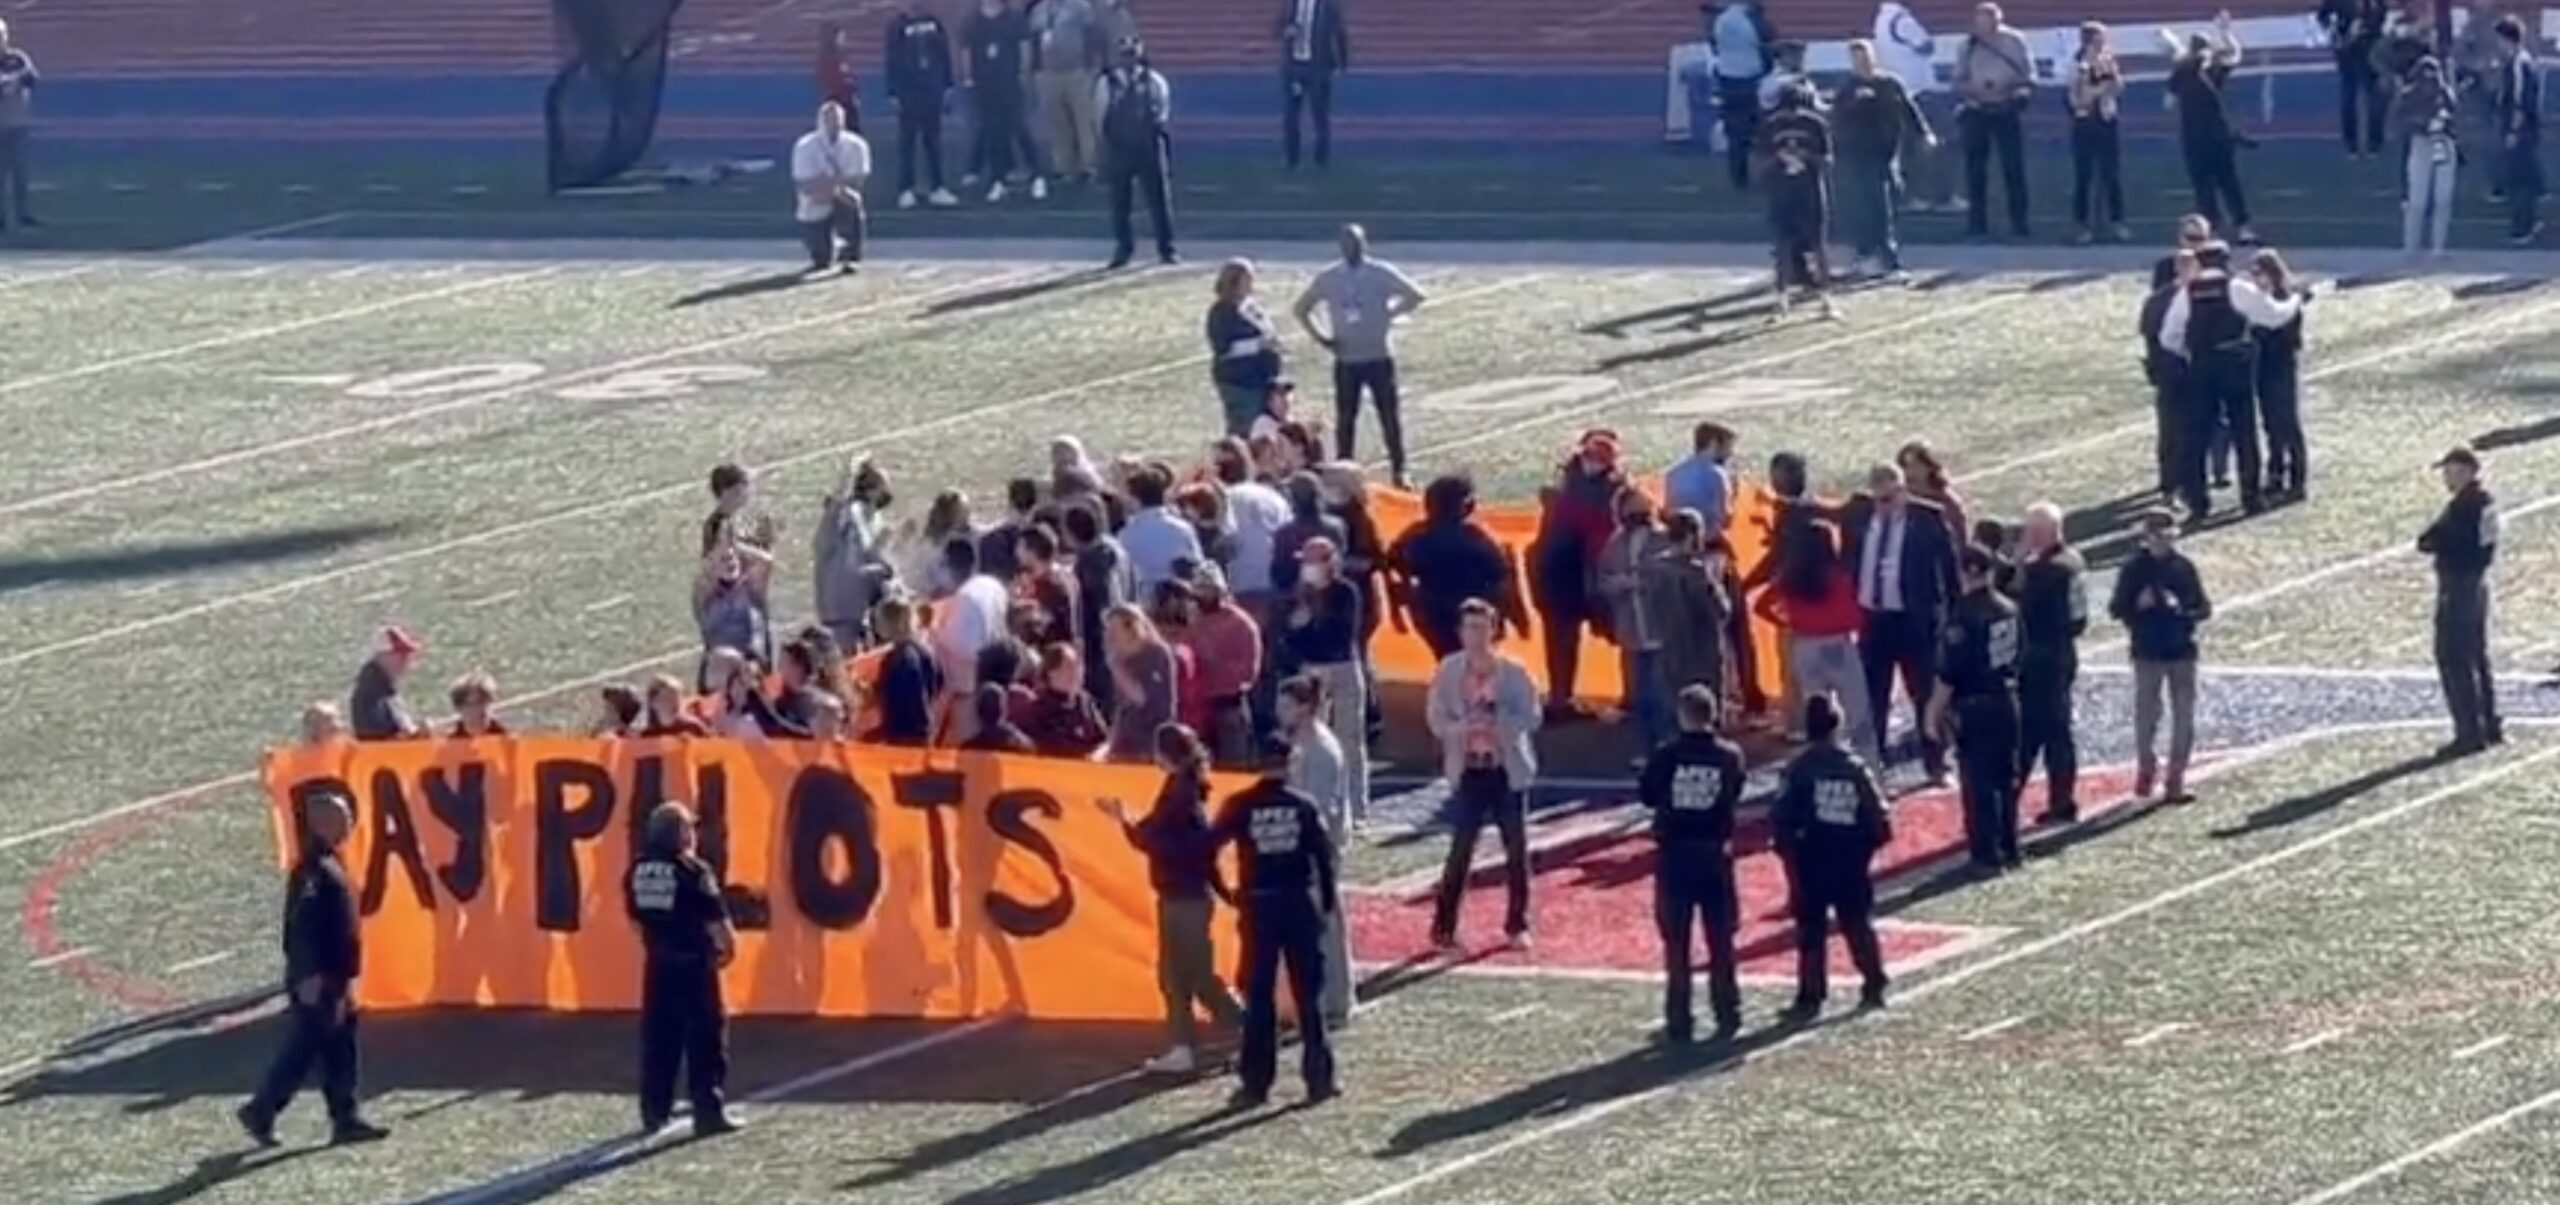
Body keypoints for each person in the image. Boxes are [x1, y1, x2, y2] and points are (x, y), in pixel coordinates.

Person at [238, 792, 389, 1147]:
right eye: (342, 816)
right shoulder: (314, 870)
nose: (349, 821)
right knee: (307, 1047)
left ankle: (343, 1117)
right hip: (320, 978)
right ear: (324, 822)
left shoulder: (326, 864)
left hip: (331, 976)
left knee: (336, 1047)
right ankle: (264, 1108)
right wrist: (311, 976)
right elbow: (303, 926)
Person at [1105, 723, 1243, 1073]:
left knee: (1192, 976)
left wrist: (1124, 821)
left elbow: (1155, 839)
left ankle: (1245, 1029)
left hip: (1184, 898)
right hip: (1185, 896)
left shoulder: (1179, 795)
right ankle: (1188, 1044)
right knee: (1180, 975)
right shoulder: (1186, 791)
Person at [1208, 768, 1339, 1106]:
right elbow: (1324, 858)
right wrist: (1324, 904)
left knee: (1259, 995)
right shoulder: (1303, 805)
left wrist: (1226, 893)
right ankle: (1319, 1078)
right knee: (1309, 995)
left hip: (1259, 905)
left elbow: (1207, 849)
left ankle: (1256, 1082)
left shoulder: (1240, 804)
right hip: (1297, 902)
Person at [1425, 599, 1542, 951]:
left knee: (1516, 848)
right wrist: (1463, 728)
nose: (1475, 636)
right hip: (1470, 768)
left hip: (1505, 769)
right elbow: (1436, 717)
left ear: (1494, 630)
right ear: (1460, 632)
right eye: (1469, 628)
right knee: (1460, 849)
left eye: (1481, 627)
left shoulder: (1514, 672)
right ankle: (1443, 926)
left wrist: (1499, 722)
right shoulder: (1449, 670)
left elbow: (1532, 717)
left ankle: (1517, 924)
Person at [2162, 239, 2304, 518]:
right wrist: (2296, 300)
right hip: (2235, 366)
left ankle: (2198, 502)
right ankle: (2250, 497)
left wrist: (2190, 352)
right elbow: (2273, 316)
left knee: (2198, 437)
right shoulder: (2236, 287)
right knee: (2244, 432)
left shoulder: (2188, 292)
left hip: (2202, 368)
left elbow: (2169, 336)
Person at [1771, 692, 1891, 1018]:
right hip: (1849, 863)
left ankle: (1810, 996)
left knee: (1810, 930)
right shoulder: (1854, 769)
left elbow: (1781, 821)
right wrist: (1861, 852)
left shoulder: (1797, 770)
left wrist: (1793, 858)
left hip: (1811, 863)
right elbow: (1880, 822)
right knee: (1857, 925)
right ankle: (1873, 981)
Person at [625, 803, 742, 1137]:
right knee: (706, 1039)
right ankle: (708, 1110)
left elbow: (634, 918)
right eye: (688, 828)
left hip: (658, 967)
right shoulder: (694, 870)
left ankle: (653, 1109)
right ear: (680, 833)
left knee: (660, 1040)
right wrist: (728, 949)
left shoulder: (637, 869)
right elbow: (716, 918)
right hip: (695, 966)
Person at [1639, 684, 1748, 1043]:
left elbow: (1648, 796)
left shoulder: (1666, 755)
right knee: (1721, 940)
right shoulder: (1730, 755)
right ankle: (1727, 1010)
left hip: (1675, 858)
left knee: (1677, 944)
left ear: (1682, 715)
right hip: (1715, 854)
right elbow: (1735, 790)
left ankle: (1679, 1018)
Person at [1841, 462, 1959, 784]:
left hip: (1915, 621)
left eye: (1892, 497)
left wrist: (1952, 618)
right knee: (1872, 698)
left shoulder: (1928, 519)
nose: (1886, 505)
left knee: (1925, 694)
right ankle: (1873, 766)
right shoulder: (1858, 517)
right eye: (1880, 499)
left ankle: (1936, 763)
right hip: (1874, 620)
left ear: (1903, 491)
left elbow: (1950, 574)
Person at [1292, 224, 1427, 487]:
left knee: (1388, 415)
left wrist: (1389, 314)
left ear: (1365, 245)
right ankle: (1345, 467)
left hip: (1378, 356)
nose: (1350, 249)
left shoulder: (1379, 273)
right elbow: (1301, 308)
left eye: (1355, 243)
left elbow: (1415, 294)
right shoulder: (1330, 277)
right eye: (1346, 244)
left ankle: (1400, 469)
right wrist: (1321, 337)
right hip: (1347, 359)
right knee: (1346, 418)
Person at [1927, 544, 2023, 872]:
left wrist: (1932, 714)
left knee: (1978, 782)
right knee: (2006, 779)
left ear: (1964, 573)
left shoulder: (1963, 615)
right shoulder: (2009, 608)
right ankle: (2010, 846)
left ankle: (1986, 854)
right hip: (2007, 699)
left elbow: (1949, 672)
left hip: (1975, 705)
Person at [2109, 508, 2210, 802]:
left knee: (2183, 717)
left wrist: (2181, 608)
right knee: (2147, 715)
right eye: (2156, 536)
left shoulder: (2183, 567)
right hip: (2147, 651)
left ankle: (2175, 778)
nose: (2161, 542)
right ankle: (2146, 769)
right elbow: (2116, 608)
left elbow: (2204, 608)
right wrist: (2138, 605)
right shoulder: (2133, 569)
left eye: (2166, 535)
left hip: (2181, 651)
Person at [1277, 673, 1355, 1025]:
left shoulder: (1320, 749)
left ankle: (1334, 998)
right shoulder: (1304, 743)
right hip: (1308, 845)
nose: (1280, 709)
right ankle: (1319, 996)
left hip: (1317, 847)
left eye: (1287, 702)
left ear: (1305, 707)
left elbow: (1320, 806)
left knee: (1323, 923)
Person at [2421, 445, 2504, 757]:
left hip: (2459, 586)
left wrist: (2438, 542)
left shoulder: (2465, 506)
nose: (2446, 477)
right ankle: (2488, 723)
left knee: (2454, 657)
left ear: (2467, 471)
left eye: (2451, 470)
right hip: (2476, 585)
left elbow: (2433, 540)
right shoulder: (2483, 502)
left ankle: (2469, 731)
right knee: (2476, 656)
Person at [1386, 473, 1524, 658]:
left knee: (1448, 660)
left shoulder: (1416, 535)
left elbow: (1392, 562)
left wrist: (1404, 601)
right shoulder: (1476, 536)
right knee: (1478, 664)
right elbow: (1501, 575)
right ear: (1466, 506)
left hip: (1434, 613)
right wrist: (1517, 616)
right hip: (1475, 612)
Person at [1283, 537, 1368, 821]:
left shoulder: (1346, 592)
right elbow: (1290, 637)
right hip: (1310, 667)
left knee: (1349, 738)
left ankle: (1356, 808)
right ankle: (1308, 800)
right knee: (1307, 737)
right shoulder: (1298, 594)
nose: (1309, 568)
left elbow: (1344, 634)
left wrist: (1312, 620)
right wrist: (1299, 625)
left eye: (1315, 561)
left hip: (1341, 666)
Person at [2011, 502, 2086, 823]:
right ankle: (2060, 799)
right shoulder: (2071, 560)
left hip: (2044, 658)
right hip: (2060, 654)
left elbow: (2016, 600)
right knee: (2054, 731)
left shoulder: (2048, 570)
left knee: (2036, 732)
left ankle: (2051, 800)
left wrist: (2016, 561)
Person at [1833, 39, 1933, 279]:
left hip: (1886, 153)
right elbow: (1837, 120)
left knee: (1886, 203)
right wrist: (1856, 103)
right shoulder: (1847, 89)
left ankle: (1886, 257)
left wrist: (1923, 134)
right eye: (1856, 59)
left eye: (1865, 57)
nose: (1862, 63)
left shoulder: (1890, 84)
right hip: (1857, 155)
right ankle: (1868, 254)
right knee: (1864, 206)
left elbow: (1909, 111)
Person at [1597, 487, 1674, 751]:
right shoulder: (1616, 543)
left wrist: (1644, 582)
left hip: (1660, 626)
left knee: (1663, 691)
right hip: (1632, 629)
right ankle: (1646, 745)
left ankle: (1667, 743)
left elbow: (1670, 576)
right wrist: (1621, 584)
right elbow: (1603, 580)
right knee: (1641, 694)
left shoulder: (1663, 538)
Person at [2166, 18, 2252, 242]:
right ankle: (2233, 226)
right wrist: (2225, 33)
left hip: (2199, 137)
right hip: (2211, 136)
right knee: (2222, 184)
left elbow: (2168, 102)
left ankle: (2220, 227)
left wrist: (2225, 33)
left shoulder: (2186, 72)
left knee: (2211, 185)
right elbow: (2234, 54)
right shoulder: (2205, 70)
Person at [1953, 1, 2034, 240]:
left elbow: (2028, 75)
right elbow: (1957, 80)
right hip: (1977, 111)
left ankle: (2019, 223)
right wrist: (1974, 89)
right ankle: (1977, 225)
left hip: (2007, 109)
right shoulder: (1967, 46)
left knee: (2013, 168)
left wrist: (2011, 89)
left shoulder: (2015, 41)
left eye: (1990, 21)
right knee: (1976, 171)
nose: (1986, 26)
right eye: (1981, 21)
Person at [1645, 510, 1734, 720]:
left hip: (1668, 647)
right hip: (1701, 651)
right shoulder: (1696, 572)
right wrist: (1718, 583)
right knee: (1705, 711)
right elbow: (1720, 610)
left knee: (1671, 709)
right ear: (1693, 536)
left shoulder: (1653, 568)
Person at [1098, 37, 1177, 269]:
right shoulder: (1107, 82)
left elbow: (1162, 111)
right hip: (1120, 148)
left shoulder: (1155, 81)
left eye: (1132, 54)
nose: (1128, 60)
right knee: (1121, 203)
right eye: (1125, 55)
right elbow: (1099, 114)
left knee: (1159, 200)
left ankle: (1167, 248)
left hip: (1149, 146)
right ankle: (1123, 248)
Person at [1186, 565, 1264, 766]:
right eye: (1200, 593)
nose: (1204, 598)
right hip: (1194, 708)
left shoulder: (1241, 625)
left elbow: (1248, 673)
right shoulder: (1192, 622)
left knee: (1232, 768)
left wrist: (1214, 662)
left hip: (1228, 706)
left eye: (1209, 592)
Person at [815, 457, 896, 649]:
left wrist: (884, 564)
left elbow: (866, 566)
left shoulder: (871, 521)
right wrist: (847, 474)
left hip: (861, 616)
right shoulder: (844, 521)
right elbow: (836, 508)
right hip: (839, 617)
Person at [885, 0, 960, 208]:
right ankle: (905, 188)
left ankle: (937, 186)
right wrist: (893, 91)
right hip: (908, 92)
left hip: (932, 91)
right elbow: (891, 59)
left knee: (933, 141)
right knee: (907, 142)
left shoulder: (934, 23)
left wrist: (948, 84)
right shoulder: (897, 26)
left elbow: (944, 55)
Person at [2250, 249, 2309, 502]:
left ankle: (2297, 480)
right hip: (2262, 369)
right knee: (2271, 425)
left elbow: (2290, 338)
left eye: (2258, 273)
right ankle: (2275, 475)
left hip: (2281, 367)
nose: (2255, 279)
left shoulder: (2284, 300)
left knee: (2288, 425)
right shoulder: (2258, 301)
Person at [962, 0, 1033, 202]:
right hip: (984, 84)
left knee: (1018, 126)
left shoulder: (1014, 19)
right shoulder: (973, 20)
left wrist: (1023, 73)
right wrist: (968, 78)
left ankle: (1035, 171)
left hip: (1009, 81)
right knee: (990, 130)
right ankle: (998, 177)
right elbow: (966, 50)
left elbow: (1024, 46)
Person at [1208, 259, 1288, 438]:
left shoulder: (1251, 306)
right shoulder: (1222, 311)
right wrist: (1258, 345)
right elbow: (1223, 348)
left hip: (1262, 379)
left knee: (1267, 428)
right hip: (1239, 383)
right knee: (1245, 429)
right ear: (1234, 281)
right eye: (1248, 279)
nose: (1252, 283)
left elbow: (1267, 331)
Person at [1030, 0, 1104, 186]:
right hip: (1048, 73)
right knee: (1058, 123)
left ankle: (1088, 165)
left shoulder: (1080, 7)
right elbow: (1033, 41)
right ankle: (1064, 166)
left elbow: (1092, 36)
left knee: (1083, 121)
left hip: (1077, 71)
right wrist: (1035, 69)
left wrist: (1092, 65)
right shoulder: (1039, 10)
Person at [791, 101, 870, 273]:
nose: (833, 124)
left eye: (837, 119)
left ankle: (850, 253)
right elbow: (805, 184)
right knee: (821, 260)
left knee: (852, 201)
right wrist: (831, 187)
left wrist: (832, 187)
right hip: (814, 201)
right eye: (828, 119)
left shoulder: (856, 145)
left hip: (843, 196)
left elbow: (857, 181)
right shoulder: (805, 146)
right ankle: (821, 249)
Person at [2392, 55, 2460, 257]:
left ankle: (2438, 247)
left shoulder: (2445, 94)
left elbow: (2455, 115)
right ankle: (2410, 246)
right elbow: (2399, 122)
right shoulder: (2408, 95)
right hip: (2421, 144)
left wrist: (2444, 121)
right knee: (2417, 201)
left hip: (2444, 144)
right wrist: (2423, 124)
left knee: (2443, 199)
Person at [2068, 22, 2129, 244]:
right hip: (2084, 123)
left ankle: (2116, 221)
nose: (2102, 44)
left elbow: (2118, 86)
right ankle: (2081, 225)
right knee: (2083, 176)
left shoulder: (2108, 61)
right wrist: (2098, 89)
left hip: (2106, 120)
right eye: (2098, 40)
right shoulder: (2077, 64)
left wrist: (2111, 83)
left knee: (2111, 173)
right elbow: (2079, 98)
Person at [1707, 0, 1777, 191]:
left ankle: (1739, 178)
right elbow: (1769, 47)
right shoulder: (1756, 21)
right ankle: (1767, 174)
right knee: (1764, 130)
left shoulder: (1720, 20)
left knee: (1735, 133)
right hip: (1753, 80)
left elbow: (1713, 45)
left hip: (1727, 79)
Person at [1276, 0, 1349, 169]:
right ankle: (1291, 159)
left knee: (1320, 116)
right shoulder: (1291, 5)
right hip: (1294, 67)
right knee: (1291, 116)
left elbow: (1340, 33)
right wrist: (1286, 31)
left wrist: (1342, 63)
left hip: (1319, 68)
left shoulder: (1328, 6)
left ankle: (1320, 160)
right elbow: (1277, 27)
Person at [695, 539, 775, 689]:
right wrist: (716, 551)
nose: (730, 562)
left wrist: (735, 545)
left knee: (744, 672)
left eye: (732, 558)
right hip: (718, 665)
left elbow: (767, 561)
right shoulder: (707, 598)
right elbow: (703, 577)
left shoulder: (751, 590)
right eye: (724, 560)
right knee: (719, 665)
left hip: (749, 659)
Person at [2320, 0, 2391, 157]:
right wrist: (2336, 33)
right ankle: (2351, 142)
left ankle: (2375, 141)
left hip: (2372, 48)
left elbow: (2382, 12)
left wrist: (2370, 26)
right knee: (2349, 95)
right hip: (2348, 50)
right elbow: (2324, 15)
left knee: (2377, 94)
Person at [2494, 15, 2543, 244]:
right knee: (2521, 177)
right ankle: (2525, 221)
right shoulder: (2518, 63)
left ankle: (2523, 226)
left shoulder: (2519, 64)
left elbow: (2519, 101)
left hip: (2520, 131)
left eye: (2499, 40)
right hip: (2522, 130)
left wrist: (2513, 131)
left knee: (2520, 179)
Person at [867, 599, 943, 745]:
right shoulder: (924, 649)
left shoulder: (900, 658)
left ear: (893, 623)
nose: (876, 627)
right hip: (923, 731)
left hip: (906, 736)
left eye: (879, 621)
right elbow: (939, 680)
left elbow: (910, 696)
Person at [348, 625, 425, 740]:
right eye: (400, 655)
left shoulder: (385, 690)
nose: (406, 661)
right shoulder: (370, 695)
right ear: (382, 656)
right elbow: (378, 742)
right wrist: (417, 735)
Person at [1664, 420, 1736, 534]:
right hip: (1708, 542)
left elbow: (1667, 513)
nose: (1731, 453)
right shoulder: (1717, 475)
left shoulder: (1672, 473)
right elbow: (1726, 519)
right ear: (1714, 443)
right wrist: (1733, 496)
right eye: (1728, 447)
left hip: (1677, 539)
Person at [0, 19, 34, 234]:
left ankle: (23, 214)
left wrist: (17, 79)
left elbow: (32, 79)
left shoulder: (17, 58)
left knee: (21, 173)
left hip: (18, 124)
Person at [447, 672, 506, 738]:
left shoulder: (508, 740)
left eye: (482, 701)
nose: (478, 709)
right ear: (459, 708)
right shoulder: (448, 744)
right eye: (471, 704)